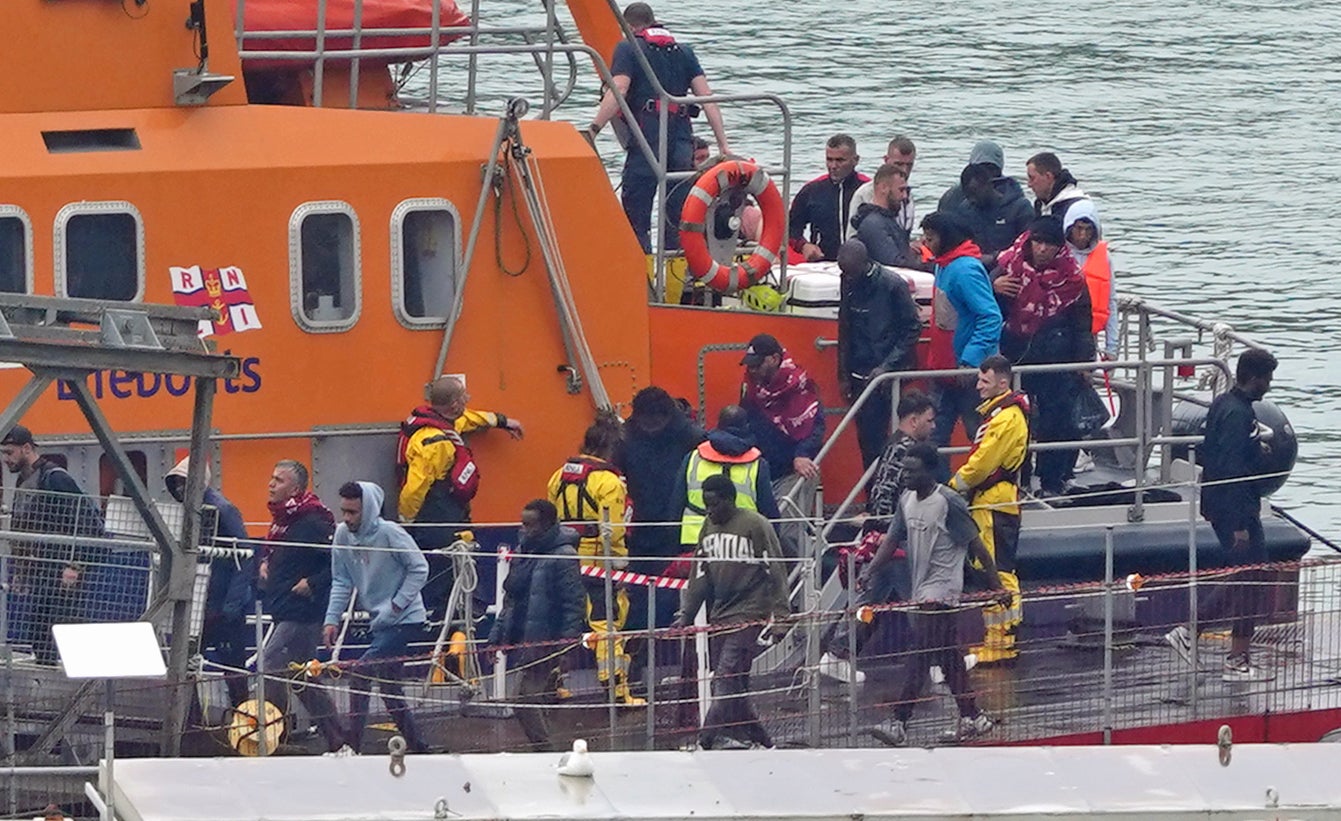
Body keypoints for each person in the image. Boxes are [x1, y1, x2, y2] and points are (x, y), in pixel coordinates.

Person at [867, 443, 1007, 746]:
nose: (904, 475)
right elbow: (892, 541)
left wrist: (997, 586)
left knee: (920, 652)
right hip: (921, 588)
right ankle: (973, 717)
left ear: (929, 472)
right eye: (903, 469)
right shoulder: (905, 501)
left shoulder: (949, 503)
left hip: (943, 590)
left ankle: (899, 722)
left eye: (911, 470)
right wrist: (870, 571)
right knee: (948, 656)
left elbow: (977, 546)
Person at [1166, 349, 1279, 682]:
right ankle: (1213, 643)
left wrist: (1257, 451)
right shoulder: (1236, 415)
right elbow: (1231, 470)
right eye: (1266, 378)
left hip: (1226, 504)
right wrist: (1241, 523)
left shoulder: (1225, 405)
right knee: (1248, 575)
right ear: (1253, 377)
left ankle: (1231, 650)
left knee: (1252, 574)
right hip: (1235, 510)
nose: (1268, 386)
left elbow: (1216, 456)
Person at [588, 2, 729, 253]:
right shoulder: (684, 52)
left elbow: (618, 89)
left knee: (636, 212)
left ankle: (644, 276)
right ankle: (673, 279)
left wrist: (594, 129)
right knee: (677, 214)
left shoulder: (628, 48)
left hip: (648, 142)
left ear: (629, 26)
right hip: (682, 142)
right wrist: (723, 145)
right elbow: (707, 99)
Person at [818, 391, 936, 684]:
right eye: (929, 420)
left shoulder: (891, 445)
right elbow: (894, 496)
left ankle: (836, 654)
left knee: (872, 600)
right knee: (921, 601)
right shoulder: (908, 451)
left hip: (884, 536)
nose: (933, 426)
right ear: (914, 419)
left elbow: (880, 492)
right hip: (897, 539)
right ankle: (938, 661)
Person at [675, 474, 790, 750]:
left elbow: (776, 571)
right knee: (735, 685)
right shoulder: (707, 528)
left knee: (724, 678)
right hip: (720, 614)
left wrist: (781, 617)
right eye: (706, 506)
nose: (710, 511)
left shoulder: (755, 524)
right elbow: (699, 575)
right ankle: (763, 741)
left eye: (714, 505)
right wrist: (686, 614)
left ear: (729, 500)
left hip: (750, 612)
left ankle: (706, 740)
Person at [397, 375, 524, 619]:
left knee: (460, 568)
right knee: (443, 580)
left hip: (452, 520)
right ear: (454, 404)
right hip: (436, 523)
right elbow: (415, 488)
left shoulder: (446, 423)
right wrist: (406, 521)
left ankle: (461, 617)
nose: (469, 400)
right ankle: (442, 625)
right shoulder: (433, 443)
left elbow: (470, 418)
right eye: (464, 397)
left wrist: (503, 421)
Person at [321, 481, 430, 755]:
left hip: (405, 619)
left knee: (361, 673)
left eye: (353, 512)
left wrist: (395, 606)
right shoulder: (343, 535)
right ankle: (418, 746)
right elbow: (341, 580)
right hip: (382, 620)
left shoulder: (390, 532)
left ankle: (352, 745)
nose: (346, 518)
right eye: (344, 511)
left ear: (368, 508)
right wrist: (331, 619)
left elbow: (419, 568)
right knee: (390, 688)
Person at [547, 413, 644, 705]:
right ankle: (615, 689)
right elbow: (613, 531)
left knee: (562, 622)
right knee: (608, 622)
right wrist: (621, 563)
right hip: (599, 561)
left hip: (565, 556)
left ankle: (552, 684)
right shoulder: (609, 483)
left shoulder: (558, 476)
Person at [994, 217, 1094, 495]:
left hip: (1057, 357)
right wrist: (995, 285)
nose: (1041, 250)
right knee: (1016, 419)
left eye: (1048, 244)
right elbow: (987, 304)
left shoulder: (1072, 279)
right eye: (1037, 242)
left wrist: (1084, 361)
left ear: (1059, 247)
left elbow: (1082, 321)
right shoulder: (1008, 267)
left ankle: (1052, 480)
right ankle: (1018, 479)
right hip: (1016, 354)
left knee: (1057, 421)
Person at [256, 459, 345, 751]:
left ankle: (274, 734)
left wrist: (312, 584)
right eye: (271, 477)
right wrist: (267, 563)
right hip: (286, 607)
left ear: (294, 488)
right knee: (301, 675)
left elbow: (336, 563)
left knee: (270, 663)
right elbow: (285, 555)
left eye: (278, 480)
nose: (270, 484)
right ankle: (336, 737)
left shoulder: (312, 521)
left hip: (302, 611)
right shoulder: (284, 521)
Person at [0, 426, 107, 665]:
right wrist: (21, 570)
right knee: (41, 635)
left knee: (63, 631)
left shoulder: (55, 478)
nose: (5, 459)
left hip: (60, 571)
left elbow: (90, 524)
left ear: (27, 448)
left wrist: (75, 566)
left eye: (9, 453)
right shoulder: (26, 480)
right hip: (42, 571)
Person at [948, 356, 1028, 665]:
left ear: (1003, 382)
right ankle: (1002, 638)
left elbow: (982, 462)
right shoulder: (1000, 414)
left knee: (997, 571)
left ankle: (1002, 641)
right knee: (995, 569)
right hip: (992, 501)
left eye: (985, 380)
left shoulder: (1006, 418)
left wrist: (953, 486)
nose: (978, 385)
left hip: (994, 503)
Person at [488, 500, 586, 751]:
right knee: (532, 699)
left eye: (531, 524)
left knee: (522, 699)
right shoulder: (524, 551)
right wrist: (496, 635)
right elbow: (511, 600)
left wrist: (566, 646)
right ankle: (549, 749)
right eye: (523, 523)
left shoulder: (564, 557)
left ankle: (547, 751)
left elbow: (574, 604)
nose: (525, 529)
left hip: (545, 640)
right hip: (523, 636)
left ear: (548, 524)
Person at [166, 456, 251, 706]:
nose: (180, 489)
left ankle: (240, 717)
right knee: (188, 660)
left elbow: (244, 556)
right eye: (177, 484)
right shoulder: (191, 511)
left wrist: (231, 606)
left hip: (221, 602)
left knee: (231, 665)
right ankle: (191, 717)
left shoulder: (222, 510)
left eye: (184, 483)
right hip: (202, 602)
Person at [920, 211, 1003, 454]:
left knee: (978, 434)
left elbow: (990, 316)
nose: (926, 244)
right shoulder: (944, 266)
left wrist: (970, 360)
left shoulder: (965, 270)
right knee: (934, 437)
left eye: (931, 238)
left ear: (945, 238)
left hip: (967, 372)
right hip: (945, 368)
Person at [836, 239, 923, 467]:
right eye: (845, 273)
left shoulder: (892, 285)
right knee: (866, 442)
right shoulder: (847, 280)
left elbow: (913, 327)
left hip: (886, 373)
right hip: (859, 371)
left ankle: (883, 490)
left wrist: (887, 365)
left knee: (880, 440)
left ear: (865, 264)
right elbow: (844, 327)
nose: (849, 278)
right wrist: (843, 374)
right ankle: (872, 495)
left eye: (852, 273)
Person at [739, 333, 825, 557]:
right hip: (762, 471)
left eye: (757, 365)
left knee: (786, 533)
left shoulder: (801, 386)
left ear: (774, 359)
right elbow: (745, 422)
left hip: (792, 471)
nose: (752, 371)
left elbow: (816, 426)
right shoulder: (750, 387)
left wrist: (802, 454)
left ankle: (796, 587)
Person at [674, 404, 781, 548]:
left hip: (696, 540)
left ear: (719, 425)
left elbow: (676, 504)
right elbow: (769, 511)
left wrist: (672, 543)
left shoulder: (693, 458)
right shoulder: (758, 464)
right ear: (746, 426)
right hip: (743, 542)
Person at [789, 134, 869, 262]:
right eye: (829, 159)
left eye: (840, 160)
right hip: (822, 263)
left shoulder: (868, 189)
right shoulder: (811, 190)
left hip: (862, 264)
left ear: (855, 160)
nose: (833, 166)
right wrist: (803, 245)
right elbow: (790, 227)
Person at [952, 162, 1034, 270]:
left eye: (975, 192)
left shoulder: (1020, 208)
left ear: (989, 185)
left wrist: (994, 257)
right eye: (968, 195)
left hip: (1011, 268)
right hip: (974, 268)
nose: (972, 199)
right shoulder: (965, 209)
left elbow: (1029, 247)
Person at [1064, 199, 1118, 359]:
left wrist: (1112, 347)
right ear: (1069, 227)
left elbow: (1111, 302)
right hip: (1059, 334)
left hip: (1089, 337)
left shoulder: (1105, 257)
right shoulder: (1058, 253)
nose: (1083, 235)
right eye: (1079, 228)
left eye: (1088, 230)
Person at [850, 164, 925, 270]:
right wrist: (932, 266)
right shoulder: (874, 224)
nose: (904, 196)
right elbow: (894, 263)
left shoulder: (887, 220)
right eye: (901, 190)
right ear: (884, 188)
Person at [847, 136, 918, 239]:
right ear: (886, 160)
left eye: (909, 165)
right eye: (898, 164)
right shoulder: (864, 194)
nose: (904, 170)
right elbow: (852, 237)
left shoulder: (908, 196)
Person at [937, 139, 1008, 213]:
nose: (988, 174)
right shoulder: (952, 197)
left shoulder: (1011, 194)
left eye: (993, 169)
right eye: (983, 168)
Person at [1025, 151, 1091, 221]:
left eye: (1032, 178)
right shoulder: (1040, 205)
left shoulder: (1077, 208)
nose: (1029, 184)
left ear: (1048, 176)